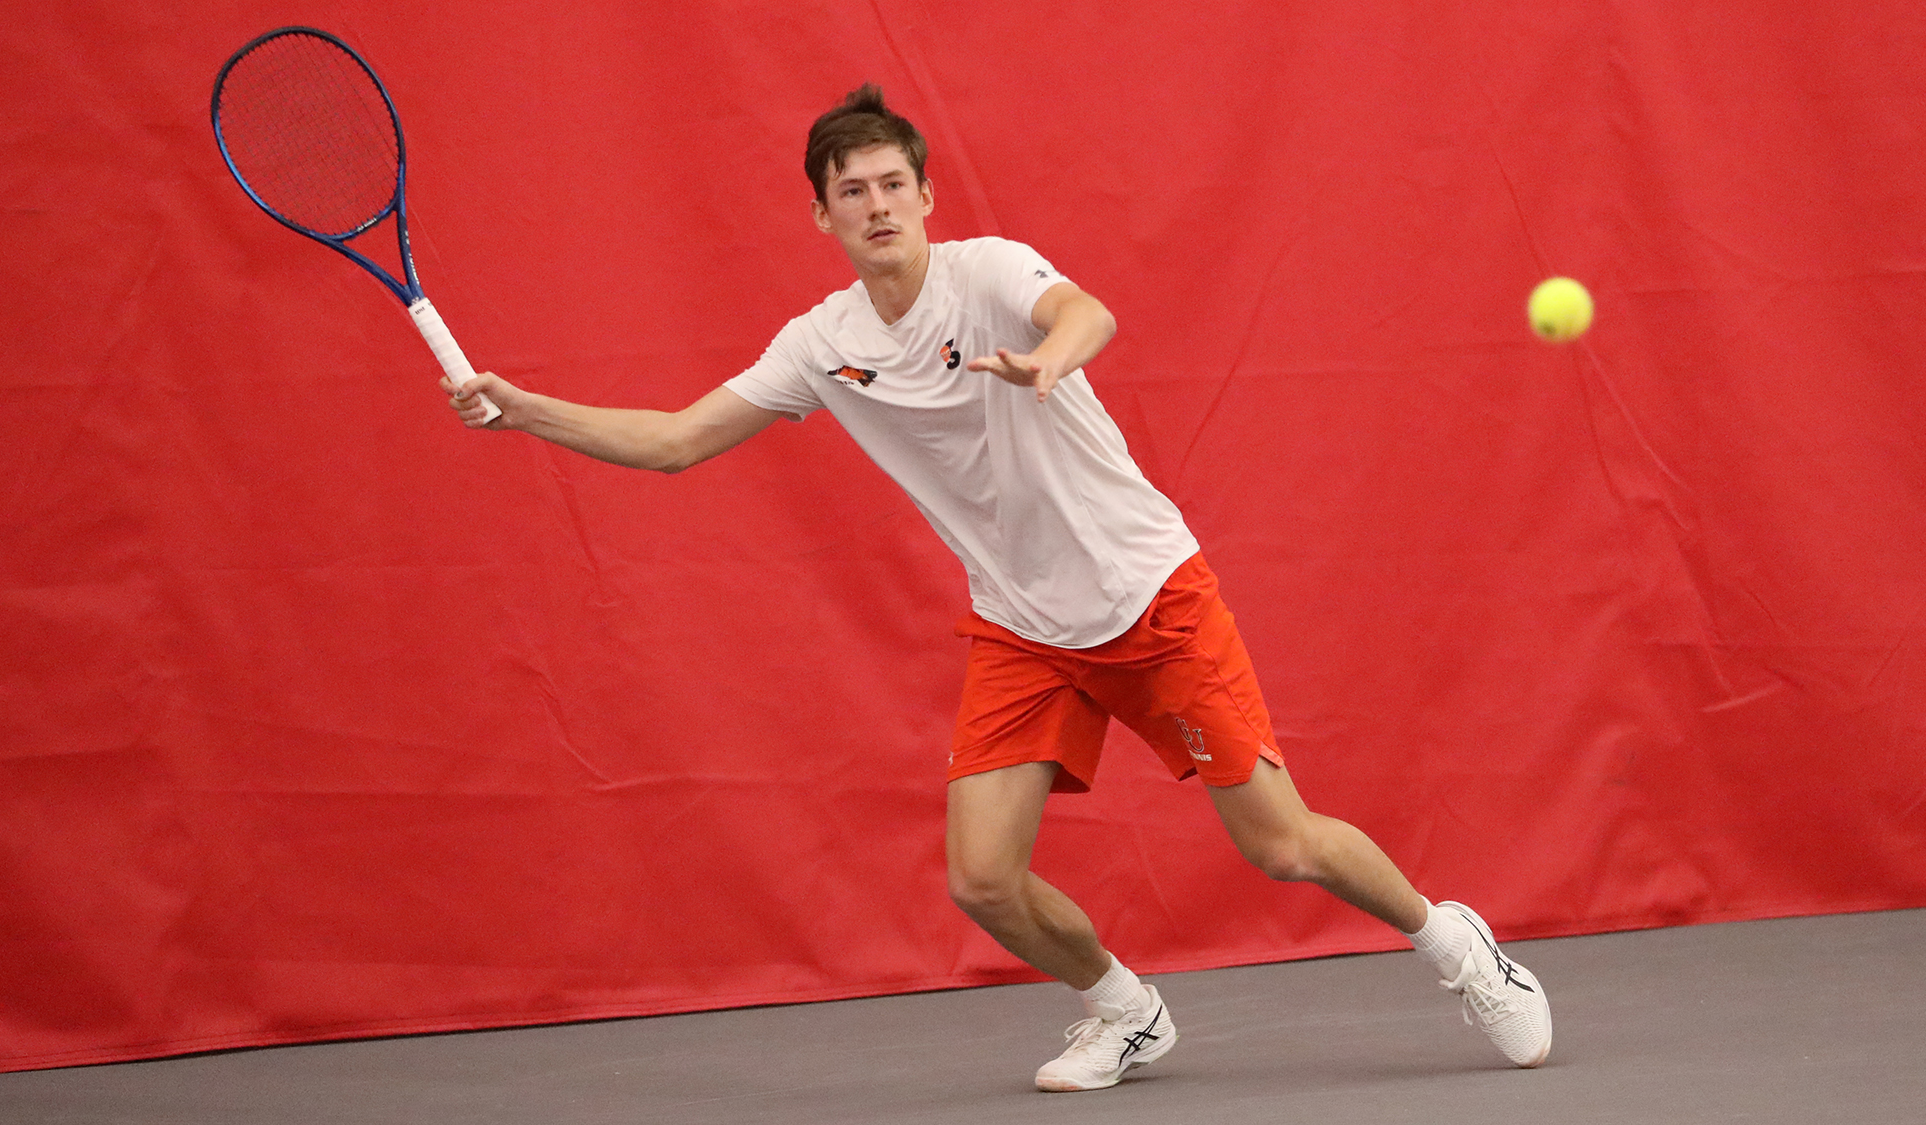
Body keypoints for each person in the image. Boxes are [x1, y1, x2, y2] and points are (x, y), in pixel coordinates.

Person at [443, 84, 1552, 1091]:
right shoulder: (818, 344)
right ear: (821, 219)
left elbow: (1086, 311)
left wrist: (1050, 358)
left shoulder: (986, 273)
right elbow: (679, 439)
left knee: (1282, 847)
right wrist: (522, 409)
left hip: (1147, 595)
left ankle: (1453, 943)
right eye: (850, 192)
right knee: (979, 881)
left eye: (890, 185)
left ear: (925, 195)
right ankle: (1122, 1013)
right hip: (1023, 628)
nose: (875, 205)